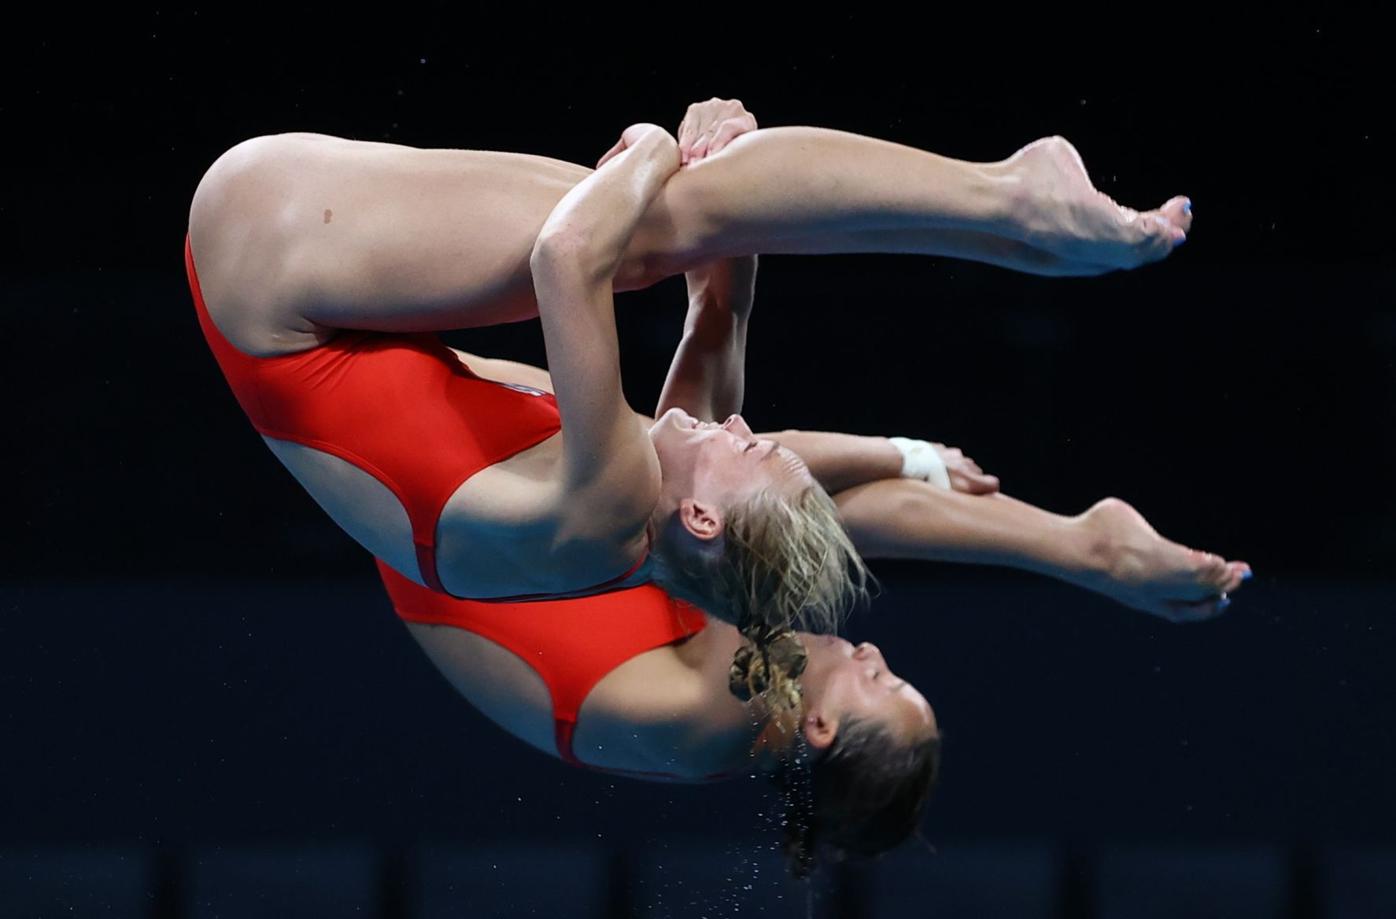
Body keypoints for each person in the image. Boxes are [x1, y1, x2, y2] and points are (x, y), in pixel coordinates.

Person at [186, 98, 1193, 630]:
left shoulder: (611, 502)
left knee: (649, 227)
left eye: (750, 452)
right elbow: (717, 315)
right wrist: (908, 456)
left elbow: (564, 258)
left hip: (272, 259)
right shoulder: (644, 526)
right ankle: (1009, 216)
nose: (747, 433)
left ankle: (1011, 200)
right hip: (309, 309)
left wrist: (656, 143)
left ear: (703, 516)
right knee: (680, 231)